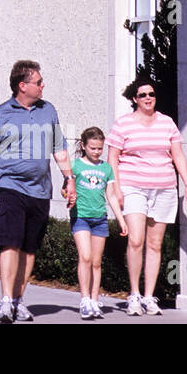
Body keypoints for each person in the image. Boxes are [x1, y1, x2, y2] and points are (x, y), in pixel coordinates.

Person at [0, 59, 74, 322]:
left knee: (29, 248)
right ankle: (6, 301)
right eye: (39, 82)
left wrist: (69, 179)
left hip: (41, 190)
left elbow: (59, 148)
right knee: (11, 241)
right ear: (23, 85)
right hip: (10, 186)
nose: (43, 86)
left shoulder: (48, 110)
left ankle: (19, 300)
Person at [106, 80, 187, 316]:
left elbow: (178, 155)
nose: (148, 98)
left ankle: (149, 296)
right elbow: (112, 158)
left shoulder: (167, 123)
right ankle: (134, 294)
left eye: (151, 94)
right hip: (133, 186)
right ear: (134, 99)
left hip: (164, 188)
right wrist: (116, 188)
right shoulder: (123, 124)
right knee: (136, 240)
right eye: (142, 94)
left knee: (154, 244)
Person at [65, 127, 126, 319]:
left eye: (100, 148)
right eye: (92, 148)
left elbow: (111, 195)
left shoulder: (106, 168)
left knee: (97, 262)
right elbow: (65, 189)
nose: (96, 152)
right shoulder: (75, 166)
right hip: (81, 217)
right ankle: (84, 300)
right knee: (85, 256)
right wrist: (68, 195)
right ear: (83, 146)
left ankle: (94, 299)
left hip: (100, 219)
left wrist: (121, 219)